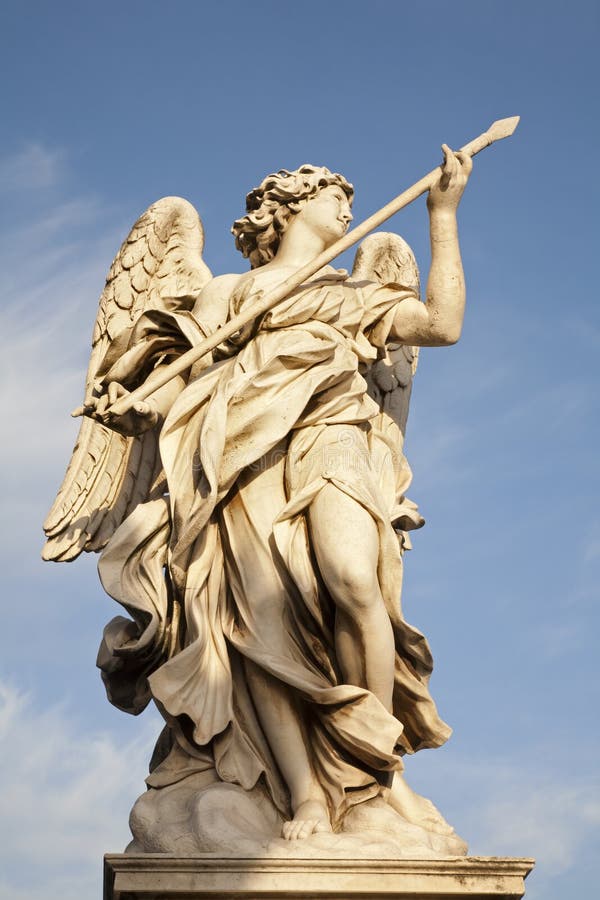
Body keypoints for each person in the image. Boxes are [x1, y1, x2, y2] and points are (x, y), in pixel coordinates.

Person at [86, 147, 473, 841]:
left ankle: (373, 770)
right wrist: (137, 409)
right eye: (332, 196)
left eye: (348, 200)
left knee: (354, 582)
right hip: (239, 451)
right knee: (255, 620)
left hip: (332, 436)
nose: (347, 208)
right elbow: (186, 381)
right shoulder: (227, 294)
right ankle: (306, 795)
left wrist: (442, 215)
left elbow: (442, 324)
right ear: (288, 208)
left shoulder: (355, 294)